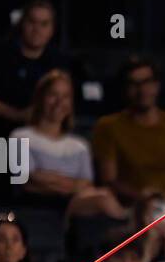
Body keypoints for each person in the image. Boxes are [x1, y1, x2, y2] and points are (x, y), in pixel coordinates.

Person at [91, 55, 165, 212]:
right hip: (129, 208)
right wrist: (144, 199)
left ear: (157, 85)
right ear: (125, 89)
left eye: (147, 82)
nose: (142, 90)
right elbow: (109, 180)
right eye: (134, 84)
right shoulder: (108, 126)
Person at [13, 68, 124, 218]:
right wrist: (72, 183)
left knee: (104, 196)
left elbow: (87, 184)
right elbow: (26, 180)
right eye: (53, 95)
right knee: (103, 199)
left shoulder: (80, 145)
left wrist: (49, 178)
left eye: (65, 96)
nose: (59, 102)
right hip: (38, 202)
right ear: (40, 98)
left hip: (74, 203)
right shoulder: (20, 136)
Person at [0, 0, 69, 140]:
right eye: (32, 22)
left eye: (44, 24)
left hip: (42, 137)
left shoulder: (58, 61)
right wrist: (17, 114)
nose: (37, 30)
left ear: (52, 30)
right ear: (22, 24)